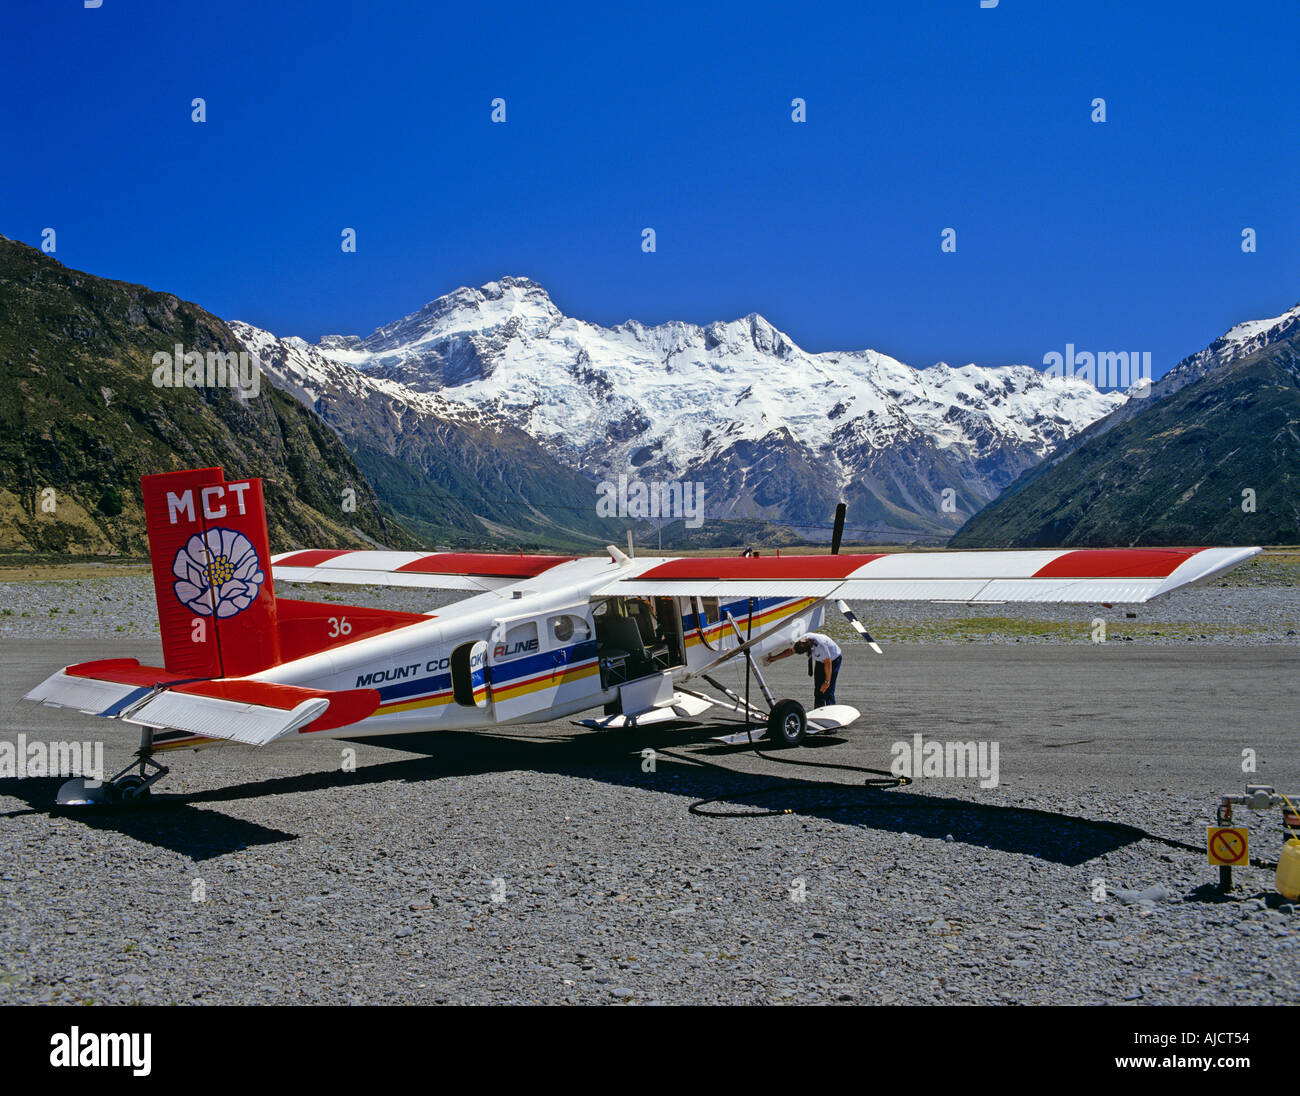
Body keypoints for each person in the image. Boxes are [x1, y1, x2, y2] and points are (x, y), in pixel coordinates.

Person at [767, 632, 843, 707]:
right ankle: (819, 709)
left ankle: (831, 710)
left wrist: (827, 681)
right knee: (818, 689)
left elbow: (827, 663)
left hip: (833, 660)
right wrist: (774, 658)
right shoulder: (801, 641)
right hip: (821, 660)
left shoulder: (820, 646)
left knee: (828, 689)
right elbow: (790, 651)